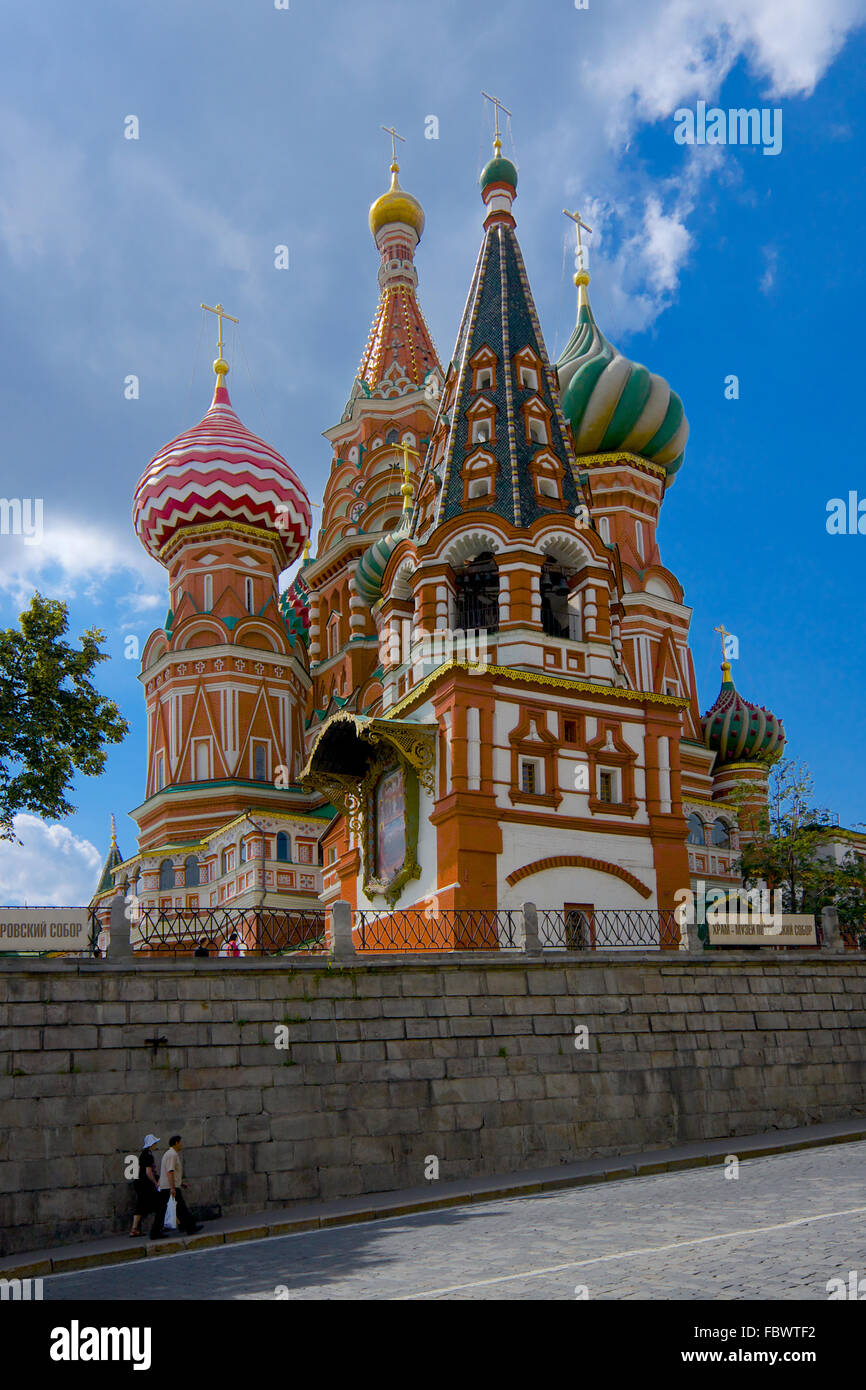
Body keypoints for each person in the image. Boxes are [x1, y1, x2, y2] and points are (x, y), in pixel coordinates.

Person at [150, 1135, 202, 1239]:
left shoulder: (169, 1154)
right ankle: (189, 1227)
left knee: (170, 1209)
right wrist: (173, 1188)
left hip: (167, 1186)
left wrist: (180, 1184)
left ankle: (187, 1227)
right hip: (169, 1188)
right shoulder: (172, 1154)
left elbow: (169, 1172)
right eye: (180, 1142)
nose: (181, 1144)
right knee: (179, 1208)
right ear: (176, 1143)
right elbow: (170, 1171)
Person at [129, 1133, 160, 1237]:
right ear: (152, 1144)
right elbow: (148, 1172)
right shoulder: (148, 1155)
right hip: (145, 1183)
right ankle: (160, 1226)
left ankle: (134, 1229)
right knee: (157, 1203)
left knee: (141, 1205)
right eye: (155, 1143)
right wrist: (155, 1183)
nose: (156, 1145)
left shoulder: (143, 1154)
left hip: (139, 1182)